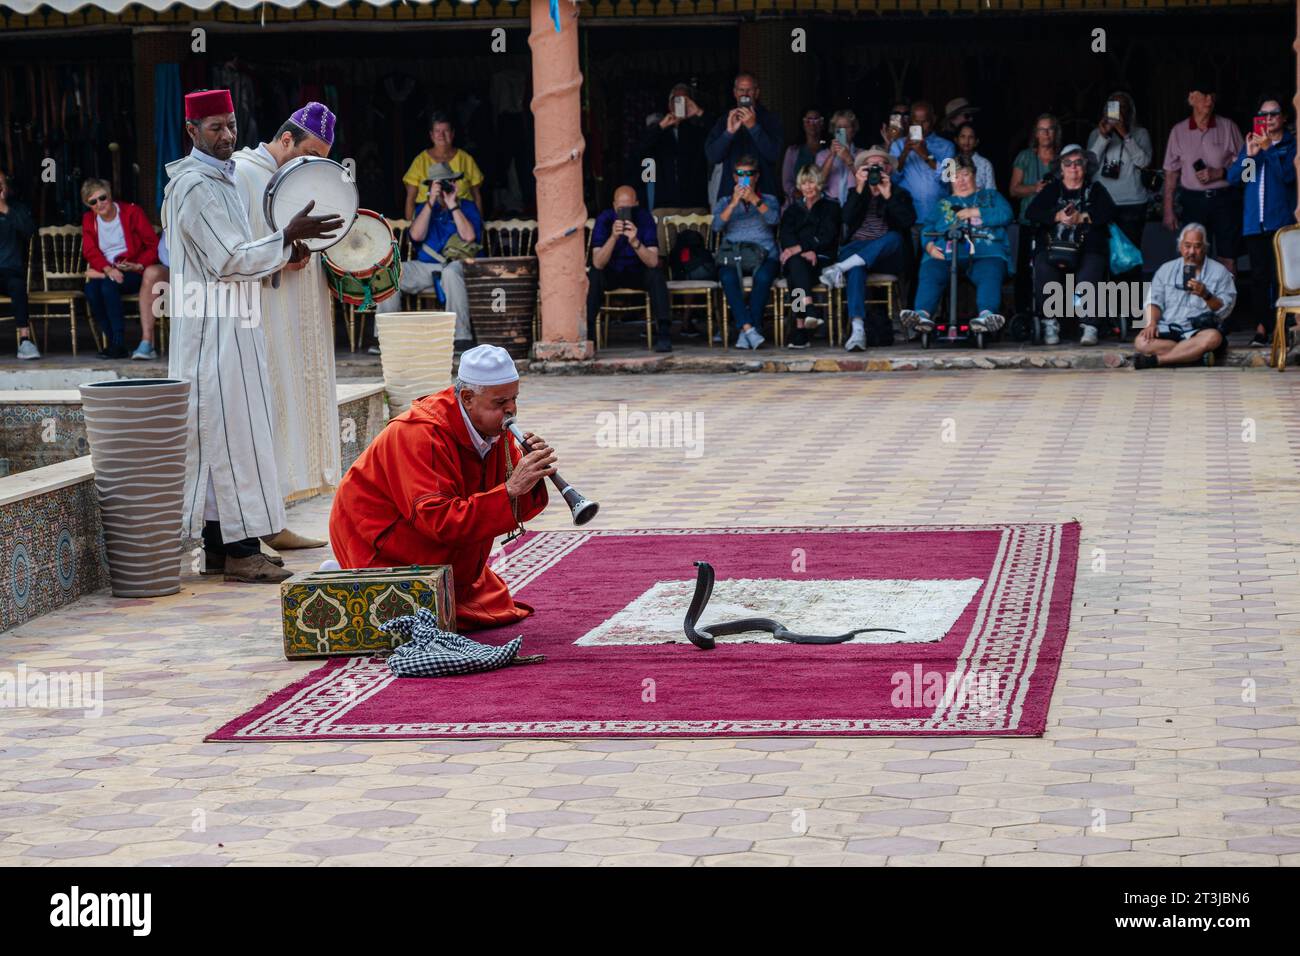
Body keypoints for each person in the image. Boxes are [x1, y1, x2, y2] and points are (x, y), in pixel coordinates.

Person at [161, 89, 341, 584]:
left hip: (233, 323)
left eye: (231, 126)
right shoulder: (196, 186)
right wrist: (285, 238)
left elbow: (239, 254)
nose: (227, 136)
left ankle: (221, 547)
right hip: (213, 331)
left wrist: (283, 251)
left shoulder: (219, 180)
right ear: (192, 132)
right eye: (215, 127)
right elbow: (229, 258)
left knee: (229, 436)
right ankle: (240, 552)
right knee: (234, 437)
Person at [328, 344, 551, 631]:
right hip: (379, 541)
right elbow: (439, 520)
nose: (511, 410)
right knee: (426, 619)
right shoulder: (420, 434)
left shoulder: (495, 429)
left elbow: (510, 504)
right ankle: (351, 576)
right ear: (467, 398)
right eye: (500, 403)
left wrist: (531, 476)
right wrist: (509, 490)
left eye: (514, 399)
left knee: (487, 604)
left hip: (441, 546)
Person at [233, 102, 342, 555]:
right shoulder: (242, 173)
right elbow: (233, 250)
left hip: (294, 311)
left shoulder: (299, 178)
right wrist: (282, 254)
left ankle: (275, 519)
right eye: (308, 153)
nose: (313, 165)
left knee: (285, 411)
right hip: (255, 313)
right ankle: (254, 527)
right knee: (262, 412)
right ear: (284, 140)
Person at [900, 155, 1012, 337]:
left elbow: (1006, 214)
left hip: (984, 253)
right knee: (930, 269)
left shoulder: (991, 196)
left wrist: (974, 211)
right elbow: (927, 228)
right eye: (955, 176)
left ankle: (986, 317)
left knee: (990, 271)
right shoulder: (943, 204)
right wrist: (928, 246)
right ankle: (922, 316)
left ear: (974, 175)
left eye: (965, 174)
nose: (961, 180)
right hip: (946, 254)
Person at [377, 161, 483, 351]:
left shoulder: (467, 207)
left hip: (458, 266)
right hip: (427, 267)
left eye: (447, 182)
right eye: (438, 184)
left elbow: (469, 236)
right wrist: (430, 202)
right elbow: (416, 235)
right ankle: (388, 337)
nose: (443, 187)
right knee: (391, 270)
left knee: (451, 273)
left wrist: (452, 204)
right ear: (430, 186)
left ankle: (461, 337)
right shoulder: (424, 208)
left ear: (454, 183)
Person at [819, 147, 915, 351]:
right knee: (857, 267)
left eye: (879, 166)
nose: (875, 171)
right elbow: (845, 219)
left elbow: (907, 221)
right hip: (857, 247)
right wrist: (861, 188)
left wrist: (888, 196)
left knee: (894, 237)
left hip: (887, 253)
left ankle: (841, 267)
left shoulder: (899, 193)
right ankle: (857, 328)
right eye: (870, 167)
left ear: (888, 169)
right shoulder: (856, 192)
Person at [1026, 143, 1117, 346]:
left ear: (1085, 167)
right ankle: (1050, 322)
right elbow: (1031, 212)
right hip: (1053, 247)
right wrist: (1056, 216)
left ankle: (1089, 324)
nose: (1073, 168)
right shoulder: (1052, 189)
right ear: (1061, 168)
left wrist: (1082, 217)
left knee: (1088, 273)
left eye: (1078, 163)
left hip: (1087, 248)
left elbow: (1109, 212)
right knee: (1043, 268)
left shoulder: (1095, 189)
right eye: (1068, 163)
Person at [1227, 95, 1297, 345]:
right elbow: (1238, 180)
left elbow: (1288, 177)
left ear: (1283, 117)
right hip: (1254, 223)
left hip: (1281, 223)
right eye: (1263, 115)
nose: (1268, 119)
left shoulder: (1291, 145)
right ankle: (1261, 327)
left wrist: (1269, 151)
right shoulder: (1254, 146)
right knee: (1259, 277)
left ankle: (1286, 327)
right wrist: (1249, 154)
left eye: (1273, 114)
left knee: (1284, 278)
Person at [1162, 80, 1244, 273]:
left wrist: (1222, 172)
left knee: (1228, 256)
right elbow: (1171, 172)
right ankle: (1196, 301)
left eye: (1212, 95)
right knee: (1193, 255)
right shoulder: (1178, 131)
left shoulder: (1228, 127)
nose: (1209, 99)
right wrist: (1168, 208)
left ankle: (1226, 302)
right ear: (1191, 99)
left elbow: (1249, 167)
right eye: (1204, 95)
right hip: (1193, 202)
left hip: (1225, 200)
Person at [79, 178, 163, 360]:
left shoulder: (131, 212)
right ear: (88, 204)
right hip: (106, 271)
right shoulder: (89, 220)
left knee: (108, 287)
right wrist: (108, 270)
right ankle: (114, 342)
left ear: (110, 196)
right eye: (93, 202)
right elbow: (90, 250)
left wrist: (139, 264)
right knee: (91, 290)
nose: (99, 204)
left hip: (132, 270)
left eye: (102, 198)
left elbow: (153, 245)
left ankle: (117, 342)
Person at [1134, 223, 1236, 369]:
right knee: (1141, 342)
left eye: (1197, 246)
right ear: (1180, 247)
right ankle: (1193, 356)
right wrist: (1151, 323)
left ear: (1205, 248)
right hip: (1169, 330)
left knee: (1213, 338)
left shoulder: (1219, 272)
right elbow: (1154, 301)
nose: (1192, 252)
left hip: (1199, 332)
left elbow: (1225, 310)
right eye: (1187, 246)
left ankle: (1158, 361)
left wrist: (1206, 295)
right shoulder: (1165, 269)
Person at [586, 184, 672, 353]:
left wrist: (635, 242)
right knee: (595, 275)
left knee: (656, 275)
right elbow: (597, 262)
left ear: (636, 204)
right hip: (612, 271)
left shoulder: (644, 218)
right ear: (613, 205)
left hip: (637, 271)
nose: (625, 211)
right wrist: (613, 237)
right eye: (620, 208)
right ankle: (589, 335)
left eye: (629, 208)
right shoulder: (605, 219)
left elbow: (653, 261)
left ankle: (663, 333)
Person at [713, 155, 779, 349]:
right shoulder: (724, 201)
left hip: (764, 254)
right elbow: (716, 226)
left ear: (756, 176)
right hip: (734, 254)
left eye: (749, 174)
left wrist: (755, 200)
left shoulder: (769, 199)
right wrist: (733, 203)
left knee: (765, 278)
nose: (745, 177)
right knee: (727, 278)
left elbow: (774, 219)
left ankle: (746, 330)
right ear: (734, 177)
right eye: (740, 174)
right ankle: (750, 329)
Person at [1087, 91, 1151, 291]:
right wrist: (1103, 136)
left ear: (1130, 111)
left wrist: (1125, 134)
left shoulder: (1140, 133)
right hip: (1102, 202)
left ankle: (1129, 313)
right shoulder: (1095, 134)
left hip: (1132, 204)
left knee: (1129, 260)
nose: (1119, 111)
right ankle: (1106, 312)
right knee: (1100, 258)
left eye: (1123, 107)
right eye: (1114, 106)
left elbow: (1144, 162)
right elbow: (1088, 165)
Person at [779, 164, 841, 349]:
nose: (808, 187)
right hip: (800, 260)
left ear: (819, 183)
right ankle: (809, 309)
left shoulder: (831, 206)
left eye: (811, 182)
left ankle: (800, 329)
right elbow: (786, 236)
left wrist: (803, 248)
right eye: (804, 183)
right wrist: (799, 251)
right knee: (796, 265)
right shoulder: (792, 210)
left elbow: (827, 235)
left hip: (821, 258)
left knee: (794, 271)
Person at [1009, 113, 1062, 319]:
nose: (1046, 134)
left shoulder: (1062, 158)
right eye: (1042, 129)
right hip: (1028, 221)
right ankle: (1023, 313)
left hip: (1056, 223)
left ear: (1055, 133)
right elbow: (1013, 189)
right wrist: (1035, 188)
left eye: (1050, 129)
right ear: (1036, 134)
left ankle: (1056, 313)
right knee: (1024, 271)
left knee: (1057, 267)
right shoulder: (1025, 157)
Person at [632, 83, 710, 211]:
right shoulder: (659, 132)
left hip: (695, 203)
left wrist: (698, 112)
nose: (680, 104)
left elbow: (719, 135)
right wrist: (661, 126)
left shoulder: (698, 131)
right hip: (665, 204)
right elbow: (639, 151)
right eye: (677, 100)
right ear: (669, 105)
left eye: (685, 100)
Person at [704, 73, 784, 198]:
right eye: (741, 89)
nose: (745, 94)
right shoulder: (725, 120)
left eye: (749, 90)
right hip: (731, 196)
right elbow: (712, 156)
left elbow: (774, 154)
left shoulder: (770, 119)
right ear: (735, 93)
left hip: (763, 196)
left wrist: (753, 127)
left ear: (757, 93)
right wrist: (728, 133)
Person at [402, 111, 486, 221]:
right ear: (431, 135)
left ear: (452, 134)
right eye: (437, 131)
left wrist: (478, 224)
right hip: (428, 219)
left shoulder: (466, 159)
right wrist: (411, 227)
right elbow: (410, 199)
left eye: (445, 131)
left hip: (462, 217)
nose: (441, 135)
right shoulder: (420, 161)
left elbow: (477, 196)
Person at [0, 168, 40, 360]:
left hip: (9, 270)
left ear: (6, 187)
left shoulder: (17, 208)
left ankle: (25, 341)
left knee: (17, 286)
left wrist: (4, 209)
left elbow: (30, 231)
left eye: (0, 183)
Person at [815, 110, 862, 206]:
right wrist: (832, 155)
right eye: (839, 127)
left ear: (853, 130)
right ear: (833, 130)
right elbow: (818, 183)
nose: (842, 130)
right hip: (829, 204)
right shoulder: (822, 155)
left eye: (846, 127)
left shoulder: (862, 154)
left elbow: (866, 183)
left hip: (854, 204)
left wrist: (849, 159)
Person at [782, 108, 826, 205]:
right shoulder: (793, 150)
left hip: (824, 202)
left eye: (816, 120)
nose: (812, 124)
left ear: (822, 123)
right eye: (808, 120)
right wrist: (798, 194)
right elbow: (787, 182)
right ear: (803, 123)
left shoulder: (828, 150)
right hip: (798, 203)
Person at [954, 124, 996, 192]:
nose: (966, 141)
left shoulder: (985, 164)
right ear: (956, 140)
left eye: (971, 137)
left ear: (976, 142)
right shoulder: (951, 163)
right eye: (963, 136)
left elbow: (991, 193)